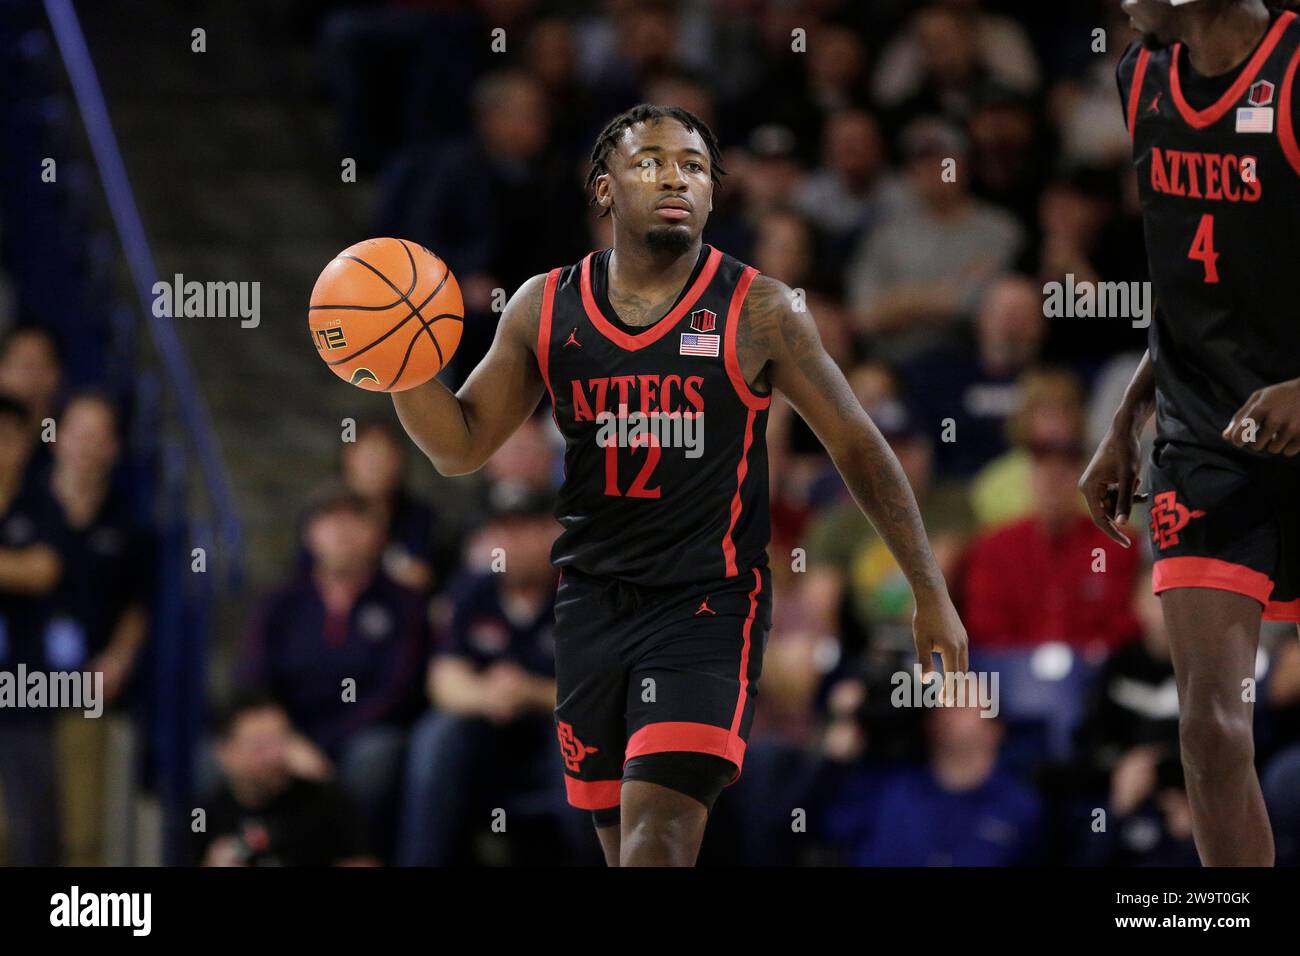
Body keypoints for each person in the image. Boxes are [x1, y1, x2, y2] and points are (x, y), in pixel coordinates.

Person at [391, 104, 968, 867]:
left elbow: (860, 446)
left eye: (693, 166)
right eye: (650, 161)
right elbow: (460, 446)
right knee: (621, 843)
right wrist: (396, 367)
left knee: (657, 834)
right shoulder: (544, 305)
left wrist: (929, 591)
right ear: (603, 191)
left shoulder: (759, 308)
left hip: (707, 603)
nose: (675, 177)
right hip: (592, 602)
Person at [1078, 0, 1300, 865]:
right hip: (1206, 433)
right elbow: (1183, 277)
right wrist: (1131, 416)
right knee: (1208, 724)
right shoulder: (1142, 75)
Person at [238, 482, 428, 855]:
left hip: (363, 738)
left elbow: (398, 689)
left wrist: (325, 748)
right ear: (309, 535)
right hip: (288, 738)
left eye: (354, 518)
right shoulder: (280, 603)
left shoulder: (404, 604)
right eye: (327, 519)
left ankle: (354, 858)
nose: (340, 530)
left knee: (377, 755)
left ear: (379, 534)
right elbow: (253, 680)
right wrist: (287, 743)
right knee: (219, 759)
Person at [398, 487, 574, 866]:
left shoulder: (580, 592)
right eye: (503, 530)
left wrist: (530, 691)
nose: (512, 542)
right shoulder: (472, 590)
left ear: (553, 531)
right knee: (436, 737)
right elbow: (444, 679)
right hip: (487, 728)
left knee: (577, 741)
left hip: (557, 726)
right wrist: (489, 695)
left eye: (526, 529)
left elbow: (602, 689)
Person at [194, 692, 376, 867]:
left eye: (281, 739)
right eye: (259, 746)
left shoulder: (327, 800)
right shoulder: (203, 813)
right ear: (223, 752)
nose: (274, 755)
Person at [0, 393, 63, 865]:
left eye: (7, 436)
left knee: (35, 825)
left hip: (24, 687)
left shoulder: (42, 503)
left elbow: (41, 570)